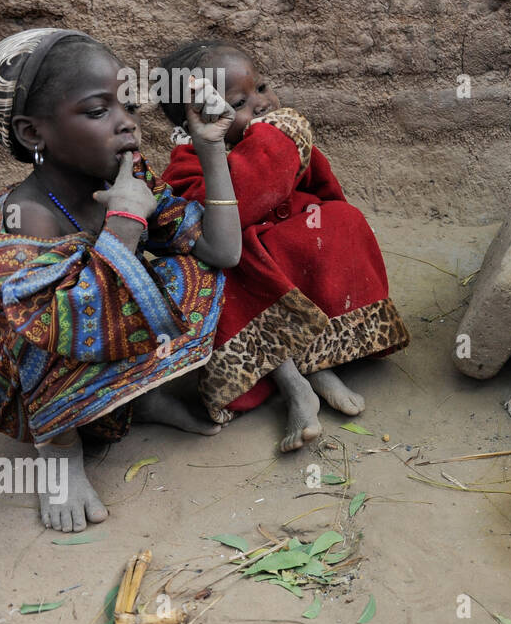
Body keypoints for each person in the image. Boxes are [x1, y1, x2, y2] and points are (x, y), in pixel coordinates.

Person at [0, 28, 242, 532]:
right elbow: (54, 326)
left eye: (129, 108)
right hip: (18, 374)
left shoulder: (125, 175)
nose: (127, 127)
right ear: (33, 134)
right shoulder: (23, 216)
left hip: (86, 333)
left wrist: (210, 149)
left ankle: (134, 398)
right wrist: (124, 226)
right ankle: (60, 447)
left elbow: (221, 251)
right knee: (47, 316)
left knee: (186, 272)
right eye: (98, 112)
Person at [156, 40, 409, 452]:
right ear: (193, 121)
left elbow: (324, 189)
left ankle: (318, 364)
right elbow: (228, 215)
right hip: (246, 267)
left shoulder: (278, 137)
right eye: (240, 100)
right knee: (229, 272)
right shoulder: (187, 161)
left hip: (295, 251)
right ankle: (293, 383)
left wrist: (328, 220)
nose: (261, 103)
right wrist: (268, 145)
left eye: (263, 88)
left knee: (342, 222)